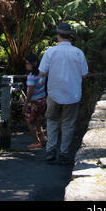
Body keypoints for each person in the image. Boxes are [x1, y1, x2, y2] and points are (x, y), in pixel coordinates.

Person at [38, 23, 88, 165]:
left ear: (58, 35)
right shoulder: (78, 53)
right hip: (73, 94)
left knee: (52, 121)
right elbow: (84, 74)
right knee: (68, 124)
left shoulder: (50, 52)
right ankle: (64, 153)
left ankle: (51, 151)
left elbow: (41, 72)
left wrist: (52, 73)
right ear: (70, 36)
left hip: (54, 92)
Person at [23, 54, 47, 149]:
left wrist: (25, 104)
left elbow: (30, 92)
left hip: (34, 102)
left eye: (27, 63)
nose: (26, 65)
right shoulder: (42, 73)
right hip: (42, 100)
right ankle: (43, 137)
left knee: (29, 121)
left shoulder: (31, 77)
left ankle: (37, 141)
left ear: (33, 64)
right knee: (37, 120)